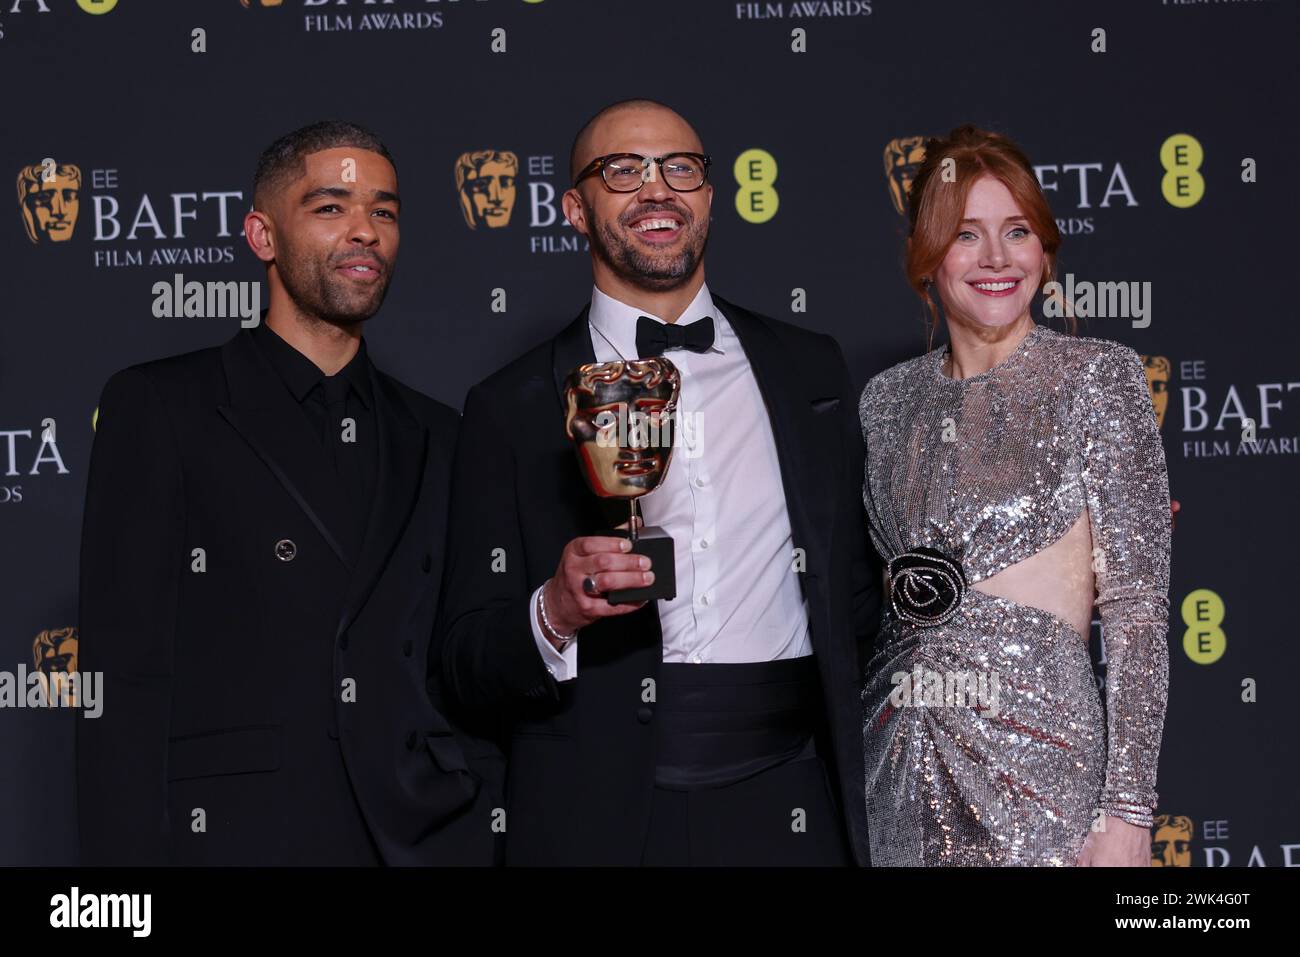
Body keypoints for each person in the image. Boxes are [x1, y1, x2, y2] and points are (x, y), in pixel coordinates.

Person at [437, 99, 880, 866]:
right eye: (622, 171)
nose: (657, 190)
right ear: (574, 209)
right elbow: (462, 658)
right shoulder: (508, 405)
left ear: (710, 195)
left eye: (681, 168)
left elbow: (858, 600)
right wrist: (554, 611)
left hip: (789, 798)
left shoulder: (812, 370)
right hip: (597, 810)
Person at [77, 121, 499, 865]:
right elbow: (124, 677)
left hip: (421, 837)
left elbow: (455, 665)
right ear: (262, 235)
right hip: (240, 834)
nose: (365, 230)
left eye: (385, 211)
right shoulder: (162, 405)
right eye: (331, 207)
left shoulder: (442, 431)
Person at [858, 125, 1171, 866]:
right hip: (900, 753)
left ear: (1045, 250)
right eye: (966, 234)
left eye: (1017, 232)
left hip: (1041, 769)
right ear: (925, 256)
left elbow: (1137, 610)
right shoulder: (885, 401)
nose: (997, 259)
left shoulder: (1096, 378)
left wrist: (1127, 808)